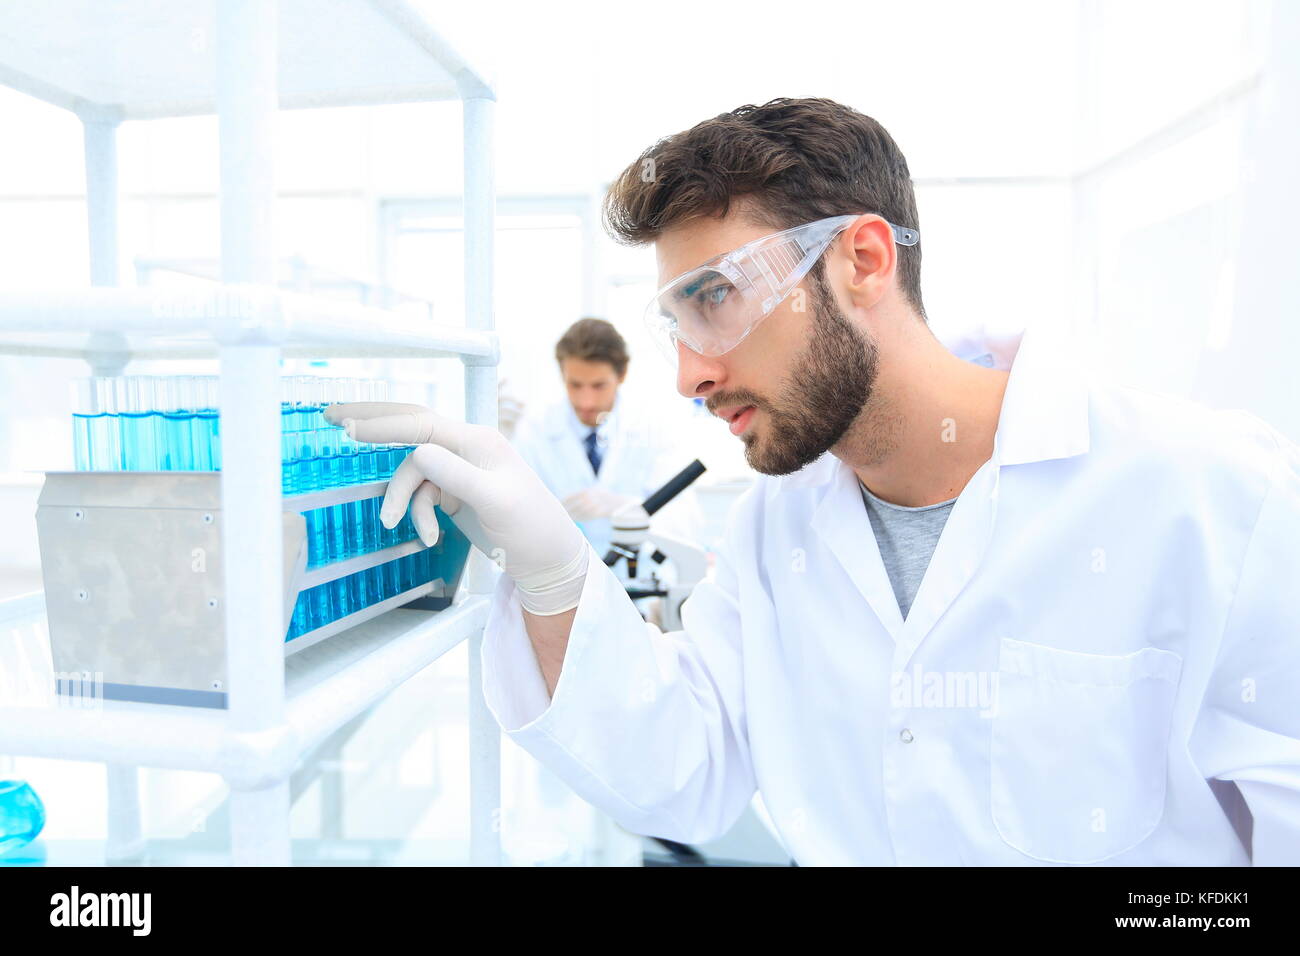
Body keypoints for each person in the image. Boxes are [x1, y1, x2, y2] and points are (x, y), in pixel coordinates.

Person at [329, 97, 1300, 866]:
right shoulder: (772, 531)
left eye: (714, 298)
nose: (691, 375)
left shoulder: (1210, 493)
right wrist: (551, 574)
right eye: (676, 324)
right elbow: (686, 768)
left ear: (863, 259)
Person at [509, 317, 695, 559]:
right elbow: (516, 520)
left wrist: (624, 507)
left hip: (643, 581)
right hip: (566, 580)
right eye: (575, 385)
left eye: (598, 386)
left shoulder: (653, 427)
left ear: (622, 375)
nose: (586, 402)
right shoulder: (534, 430)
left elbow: (684, 521)